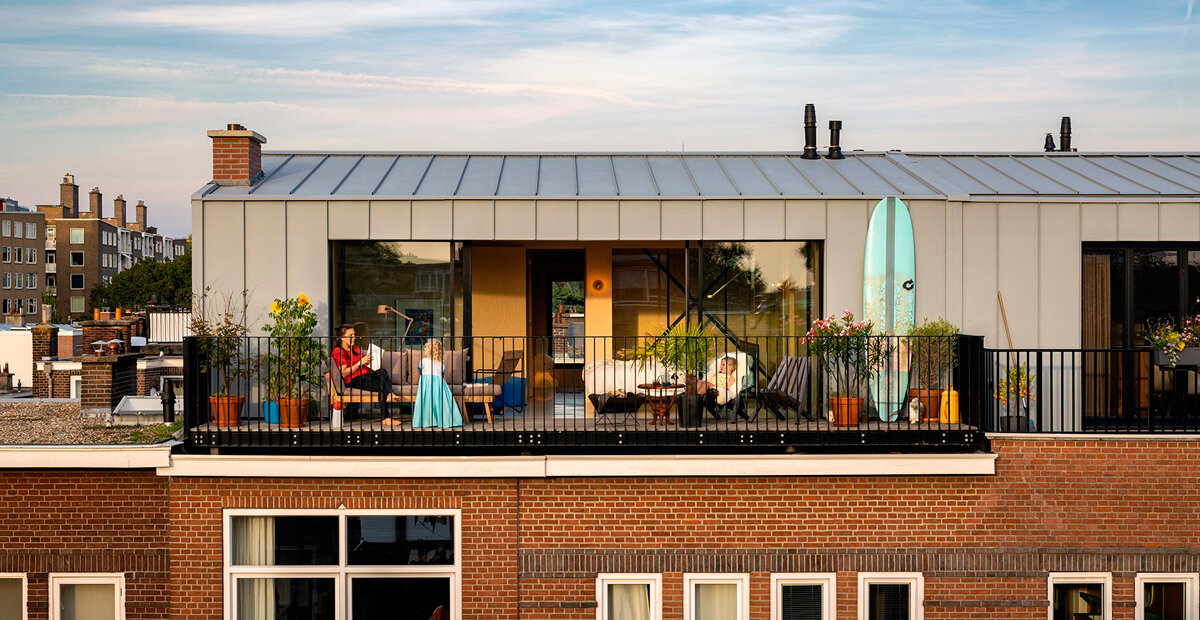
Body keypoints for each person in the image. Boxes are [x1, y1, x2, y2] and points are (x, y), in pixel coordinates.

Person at [330, 324, 397, 424]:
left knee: (382, 371)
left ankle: (388, 403)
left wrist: (370, 361)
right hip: (353, 380)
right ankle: (386, 414)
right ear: (342, 338)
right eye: (351, 335)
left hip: (365, 377)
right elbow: (343, 373)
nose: (354, 337)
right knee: (382, 385)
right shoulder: (338, 352)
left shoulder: (356, 349)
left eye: (354, 335)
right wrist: (359, 363)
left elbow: (364, 366)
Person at [411, 339, 464, 429]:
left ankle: (427, 421)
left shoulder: (423, 361)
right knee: (440, 403)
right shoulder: (441, 364)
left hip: (426, 386)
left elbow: (420, 371)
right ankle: (443, 420)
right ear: (440, 351)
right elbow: (442, 374)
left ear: (427, 349)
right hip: (438, 386)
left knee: (426, 402)